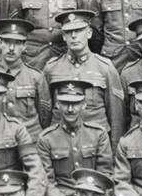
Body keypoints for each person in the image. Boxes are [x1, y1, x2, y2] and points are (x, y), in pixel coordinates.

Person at [42, 9, 127, 140]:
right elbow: (45, 113)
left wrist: (114, 152)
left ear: (89, 33)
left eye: (79, 30)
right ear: (64, 36)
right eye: (69, 32)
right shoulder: (52, 68)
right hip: (60, 143)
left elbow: (116, 116)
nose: (74, 36)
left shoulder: (105, 68)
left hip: (96, 143)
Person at [37, 80, 115, 196]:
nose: (70, 109)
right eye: (65, 103)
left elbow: (106, 175)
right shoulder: (46, 139)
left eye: (75, 103)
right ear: (57, 105)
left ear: (84, 105)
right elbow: (47, 183)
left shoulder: (98, 134)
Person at [0, 17, 52, 141]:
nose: (11, 48)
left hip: (29, 141)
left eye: (17, 43)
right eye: (7, 41)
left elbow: (45, 116)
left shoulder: (36, 77)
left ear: (24, 46)